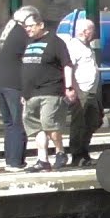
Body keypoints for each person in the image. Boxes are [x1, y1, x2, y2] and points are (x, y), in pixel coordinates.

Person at [19, 12, 75, 172]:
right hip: (31, 94)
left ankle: (60, 152)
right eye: (26, 27)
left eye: (30, 26)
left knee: (49, 123)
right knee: (36, 127)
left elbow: (67, 64)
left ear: (41, 25)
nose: (28, 29)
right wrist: (24, 92)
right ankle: (42, 160)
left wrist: (69, 87)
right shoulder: (29, 42)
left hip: (51, 91)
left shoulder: (56, 42)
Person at [0, 6, 33, 172]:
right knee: (19, 122)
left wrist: (2, 64)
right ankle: (17, 162)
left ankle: (9, 161)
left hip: (0, 81)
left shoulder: (4, 30)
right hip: (15, 82)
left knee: (9, 124)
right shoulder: (22, 33)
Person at [63, 18, 102, 167]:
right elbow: (69, 68)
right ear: (86, 31)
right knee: (79, 123)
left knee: (94, 120)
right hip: (81, 90)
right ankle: (77, 155)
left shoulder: (86, 46)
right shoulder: (74, 46)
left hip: (90, 91)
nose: (93, 33)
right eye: (92, 30)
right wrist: (71, 88)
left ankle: (84, 151)